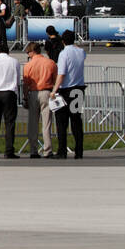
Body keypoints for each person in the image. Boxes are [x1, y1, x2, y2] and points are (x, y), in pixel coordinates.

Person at [51, 30, 85, 159]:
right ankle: (79, 150)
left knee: (61, 121)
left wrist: (54, 90)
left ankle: (62, 150)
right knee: (76, 120)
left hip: (66, 90)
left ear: (63, 41)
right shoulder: (81, 52)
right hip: (78, 89)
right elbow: (80, 51)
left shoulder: (63, 53)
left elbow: (61, 74)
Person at [22, 41, 56, 158]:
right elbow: (55, 79)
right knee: (46, 123)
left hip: (33, 93)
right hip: (47, 92)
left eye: (28, 52)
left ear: (32, 51)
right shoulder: (50, 63)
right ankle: (48, 149)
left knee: (33, 123)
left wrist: (25, 97)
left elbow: (26, 84)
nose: (28, 55)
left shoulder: (28, 65)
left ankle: (33, 150)